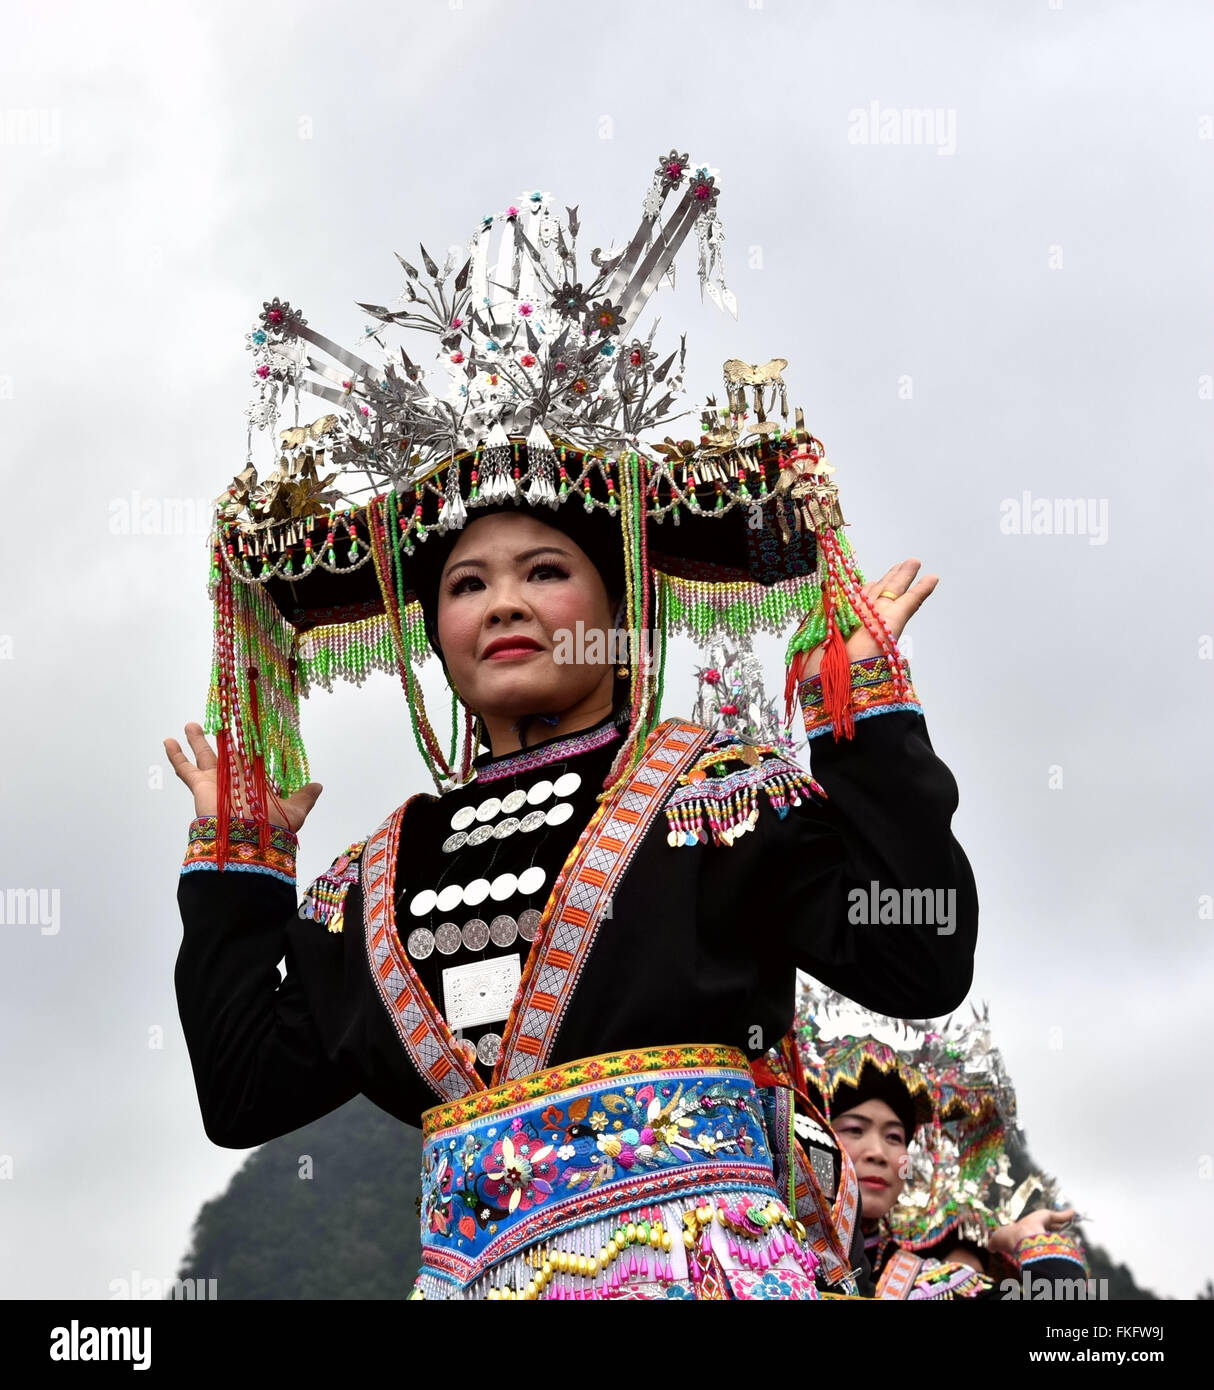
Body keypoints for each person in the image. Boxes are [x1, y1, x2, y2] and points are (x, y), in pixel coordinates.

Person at [167, 149, 980, 1300]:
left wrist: (861, 719)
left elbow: (920, 954)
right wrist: (240, 873)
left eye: (543, 569)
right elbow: (242, 1090)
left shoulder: (720, 798)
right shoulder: (372, 880)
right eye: (464, 584)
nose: (500, 601)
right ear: (431, 633)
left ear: (618, 606)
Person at [794, 987, 1089, 1299]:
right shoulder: (762, 1242)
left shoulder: (929, 1286)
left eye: (895, 1137)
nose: (879, 1153)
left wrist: (1031, 1240)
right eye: (854, 1130)